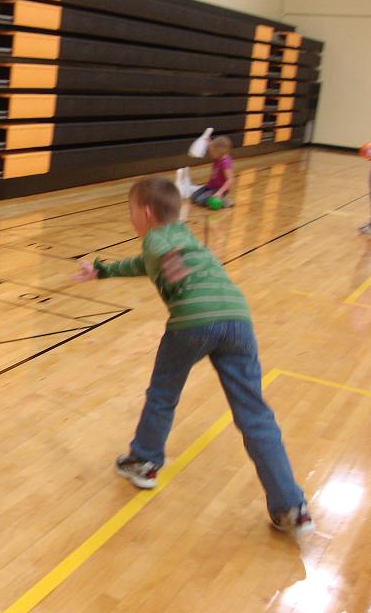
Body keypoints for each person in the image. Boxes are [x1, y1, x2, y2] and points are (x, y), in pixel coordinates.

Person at [74, 177, 314, 537]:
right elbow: (146, 263)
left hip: (193, 321)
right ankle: (290, 506)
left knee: (162, 395)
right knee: (255, 415)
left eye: (131, 211)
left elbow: (160, 253)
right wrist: (103, 270)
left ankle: (145, 460)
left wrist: (174, 266)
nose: (131, 218)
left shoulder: (158, 238)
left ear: (146, 212)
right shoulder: (183, 235)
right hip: (237, 319)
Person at [190, 135, 234, 207]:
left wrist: (220, 192)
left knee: (200, 201)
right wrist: (209, 142)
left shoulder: (225, 162)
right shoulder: (218, 156)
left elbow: (230, 180)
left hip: (219, 189)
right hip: (210, 186)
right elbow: (211, 146)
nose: (210, 153)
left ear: (219, 151)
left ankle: (224, 202)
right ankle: (210, 194)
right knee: (193, 197)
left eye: (212, 151)